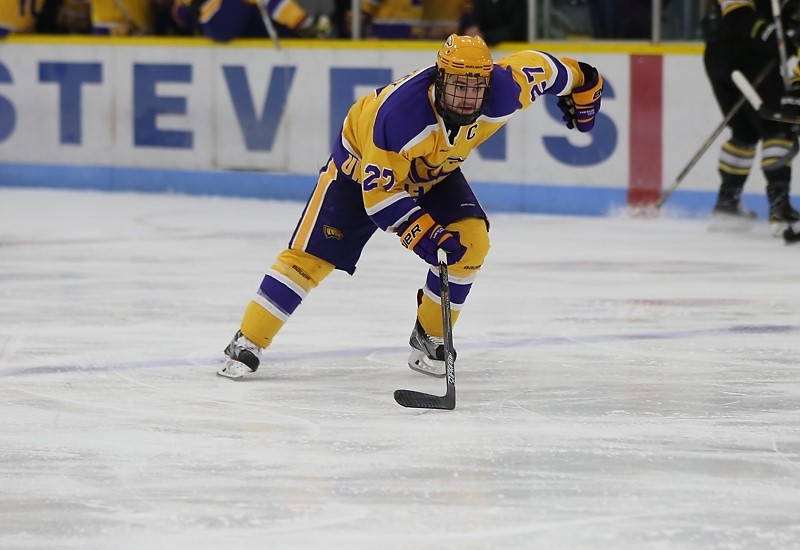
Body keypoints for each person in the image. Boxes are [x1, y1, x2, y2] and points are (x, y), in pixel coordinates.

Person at [217, 34, 603, 380]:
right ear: (439, 78)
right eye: (458, 86)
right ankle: (248, 340)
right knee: (310, 259)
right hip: (360, 173)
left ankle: (430, 335)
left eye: (477, 87)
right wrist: (422, 231)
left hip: (434, 170)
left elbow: (556, 70)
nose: (468, 97)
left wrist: (588, 84)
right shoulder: (400, 118)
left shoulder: (508, 87)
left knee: (471, 243)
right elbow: (380, 197)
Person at [703, 0, 800, 232]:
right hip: (747, 53)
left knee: (744, 132)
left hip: (719, 54)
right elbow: (738, 14)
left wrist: (783, 30)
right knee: (776, 127)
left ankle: (727, 203)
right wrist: (766, 31)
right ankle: (780, 207)